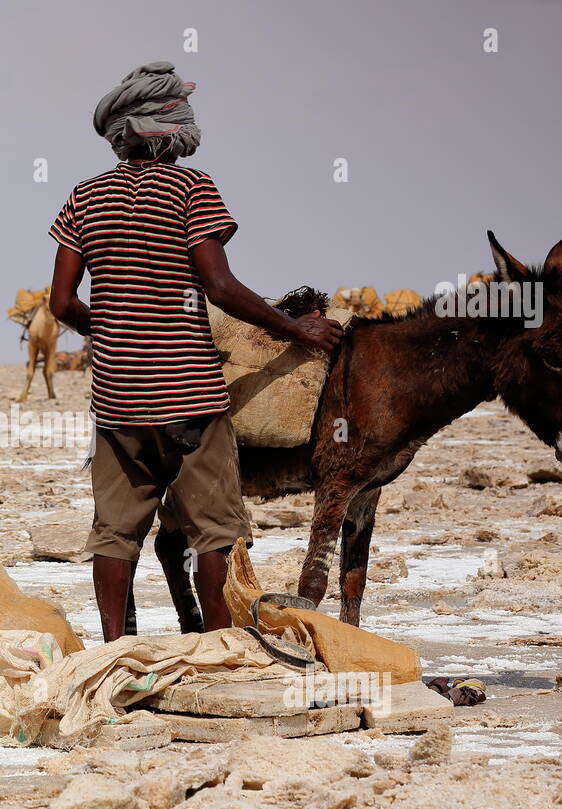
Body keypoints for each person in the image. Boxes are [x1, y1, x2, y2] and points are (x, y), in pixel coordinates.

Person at [47, 62, 343, 642]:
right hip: (188, 393)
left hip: (117, 396)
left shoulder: (83, 197)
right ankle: (217, 642)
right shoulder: (191, 187)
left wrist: (107, 329)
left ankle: (114, 648)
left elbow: (61, 302)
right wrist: (295, 329)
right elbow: (221, 286)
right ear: (169, 132)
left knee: (114, 530)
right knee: (215, 529)